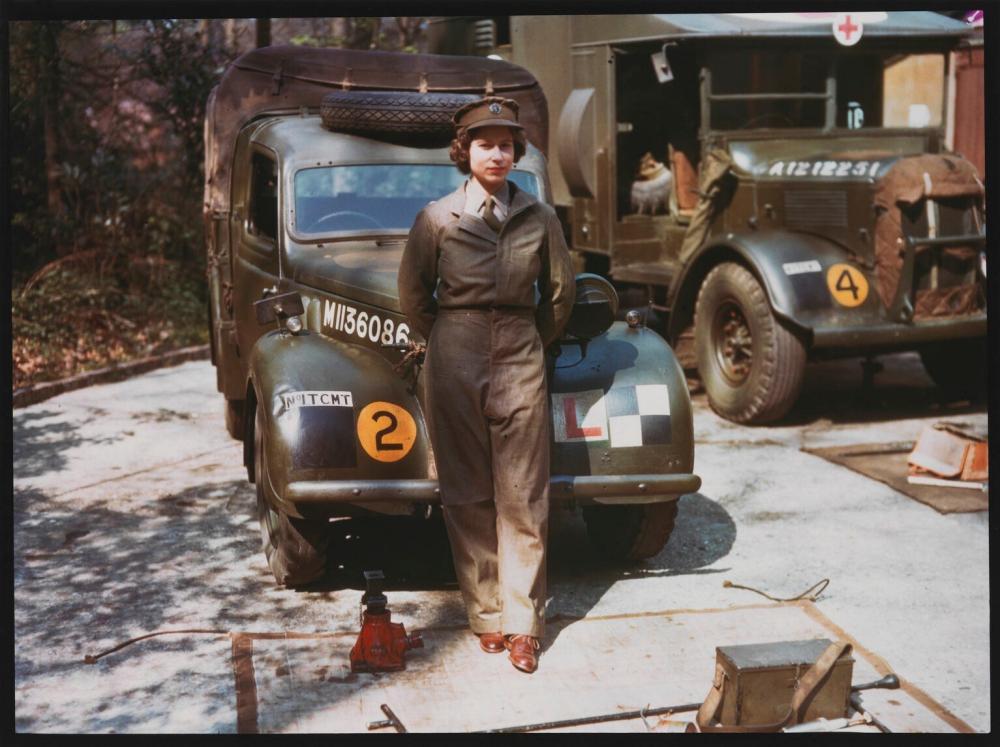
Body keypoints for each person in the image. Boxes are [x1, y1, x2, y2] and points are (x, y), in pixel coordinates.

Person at [398, 97, 576, 673]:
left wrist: (528, 342)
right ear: (464, 152)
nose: (495, 154)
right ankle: (487, 614)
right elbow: (413, 298)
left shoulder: (540, 217)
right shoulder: (436, 219)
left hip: (521, 351)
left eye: (505, 144)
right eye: (484, 144)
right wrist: (451, 339)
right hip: (454, 353)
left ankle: (524, 624)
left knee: (523, 492)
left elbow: (558, 295)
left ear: (516, 152)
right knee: (467, 491)